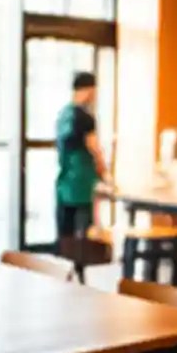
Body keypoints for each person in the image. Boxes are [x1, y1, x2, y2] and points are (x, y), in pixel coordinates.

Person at [55, 71, 107, 243]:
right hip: (82, 184)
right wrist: (105, 173)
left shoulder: (63, 115)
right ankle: (80, 265)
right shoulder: (85, 117)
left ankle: (64, 263)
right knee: (84, 233)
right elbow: (94, 148)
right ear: (88, 90)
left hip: (64, 182)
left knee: (65, 232)